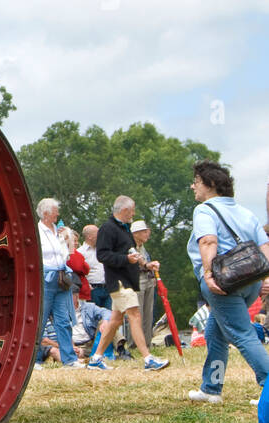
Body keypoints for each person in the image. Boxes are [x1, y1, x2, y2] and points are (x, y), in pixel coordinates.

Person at [185, 160, 269, 405]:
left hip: (223, 283)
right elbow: (265, 246)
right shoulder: (244, 211)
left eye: (197, 182)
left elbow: (208, 242)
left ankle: (268, 387)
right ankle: (211, 388)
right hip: (250, 283)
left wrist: (209, 274)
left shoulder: (204, 210)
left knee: (243, 334)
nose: (193, 187)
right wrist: (264, 277)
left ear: (210, 185)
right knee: (216, 334)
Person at [85, 196, 170, 372]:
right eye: (132, 210)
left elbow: (133, 254)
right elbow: (102, 255)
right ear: (123, 210)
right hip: (118, 282)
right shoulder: (108, 229)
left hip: (128, 281)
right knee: (135, 315)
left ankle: (96, 358)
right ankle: (148, 359)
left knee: (115, 321)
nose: (133, 213)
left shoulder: (124, 229)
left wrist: (146, 265)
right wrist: (125, 259)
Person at [35, 198, 82, 368]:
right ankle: (35, 359)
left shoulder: (59, 230)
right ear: (46, 213)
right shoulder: (37, 231)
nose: (57, 214)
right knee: (41, 320)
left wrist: (67, 237)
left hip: (61, 277)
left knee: (63, 320)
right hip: (47, 278)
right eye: (55, 211)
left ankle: (69, 359)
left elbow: (69, 253)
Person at [129, 219, 160, 351]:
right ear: (135, 233)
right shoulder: (130, 247)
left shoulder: (142, 247)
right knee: (137, 313)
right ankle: (134, 344)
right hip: (136, 281)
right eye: (144, 232)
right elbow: (138, 263)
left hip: (147, 280)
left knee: (148, 312)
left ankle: (147, 342)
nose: (147, 234)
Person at [77, 225, 109, 308]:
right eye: (98, 233)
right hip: (93, 289)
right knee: (94, 317)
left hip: (107, 288)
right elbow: (79, 272)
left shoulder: (103, 249)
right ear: (89, 236)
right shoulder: (80, 252)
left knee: (109, 317)